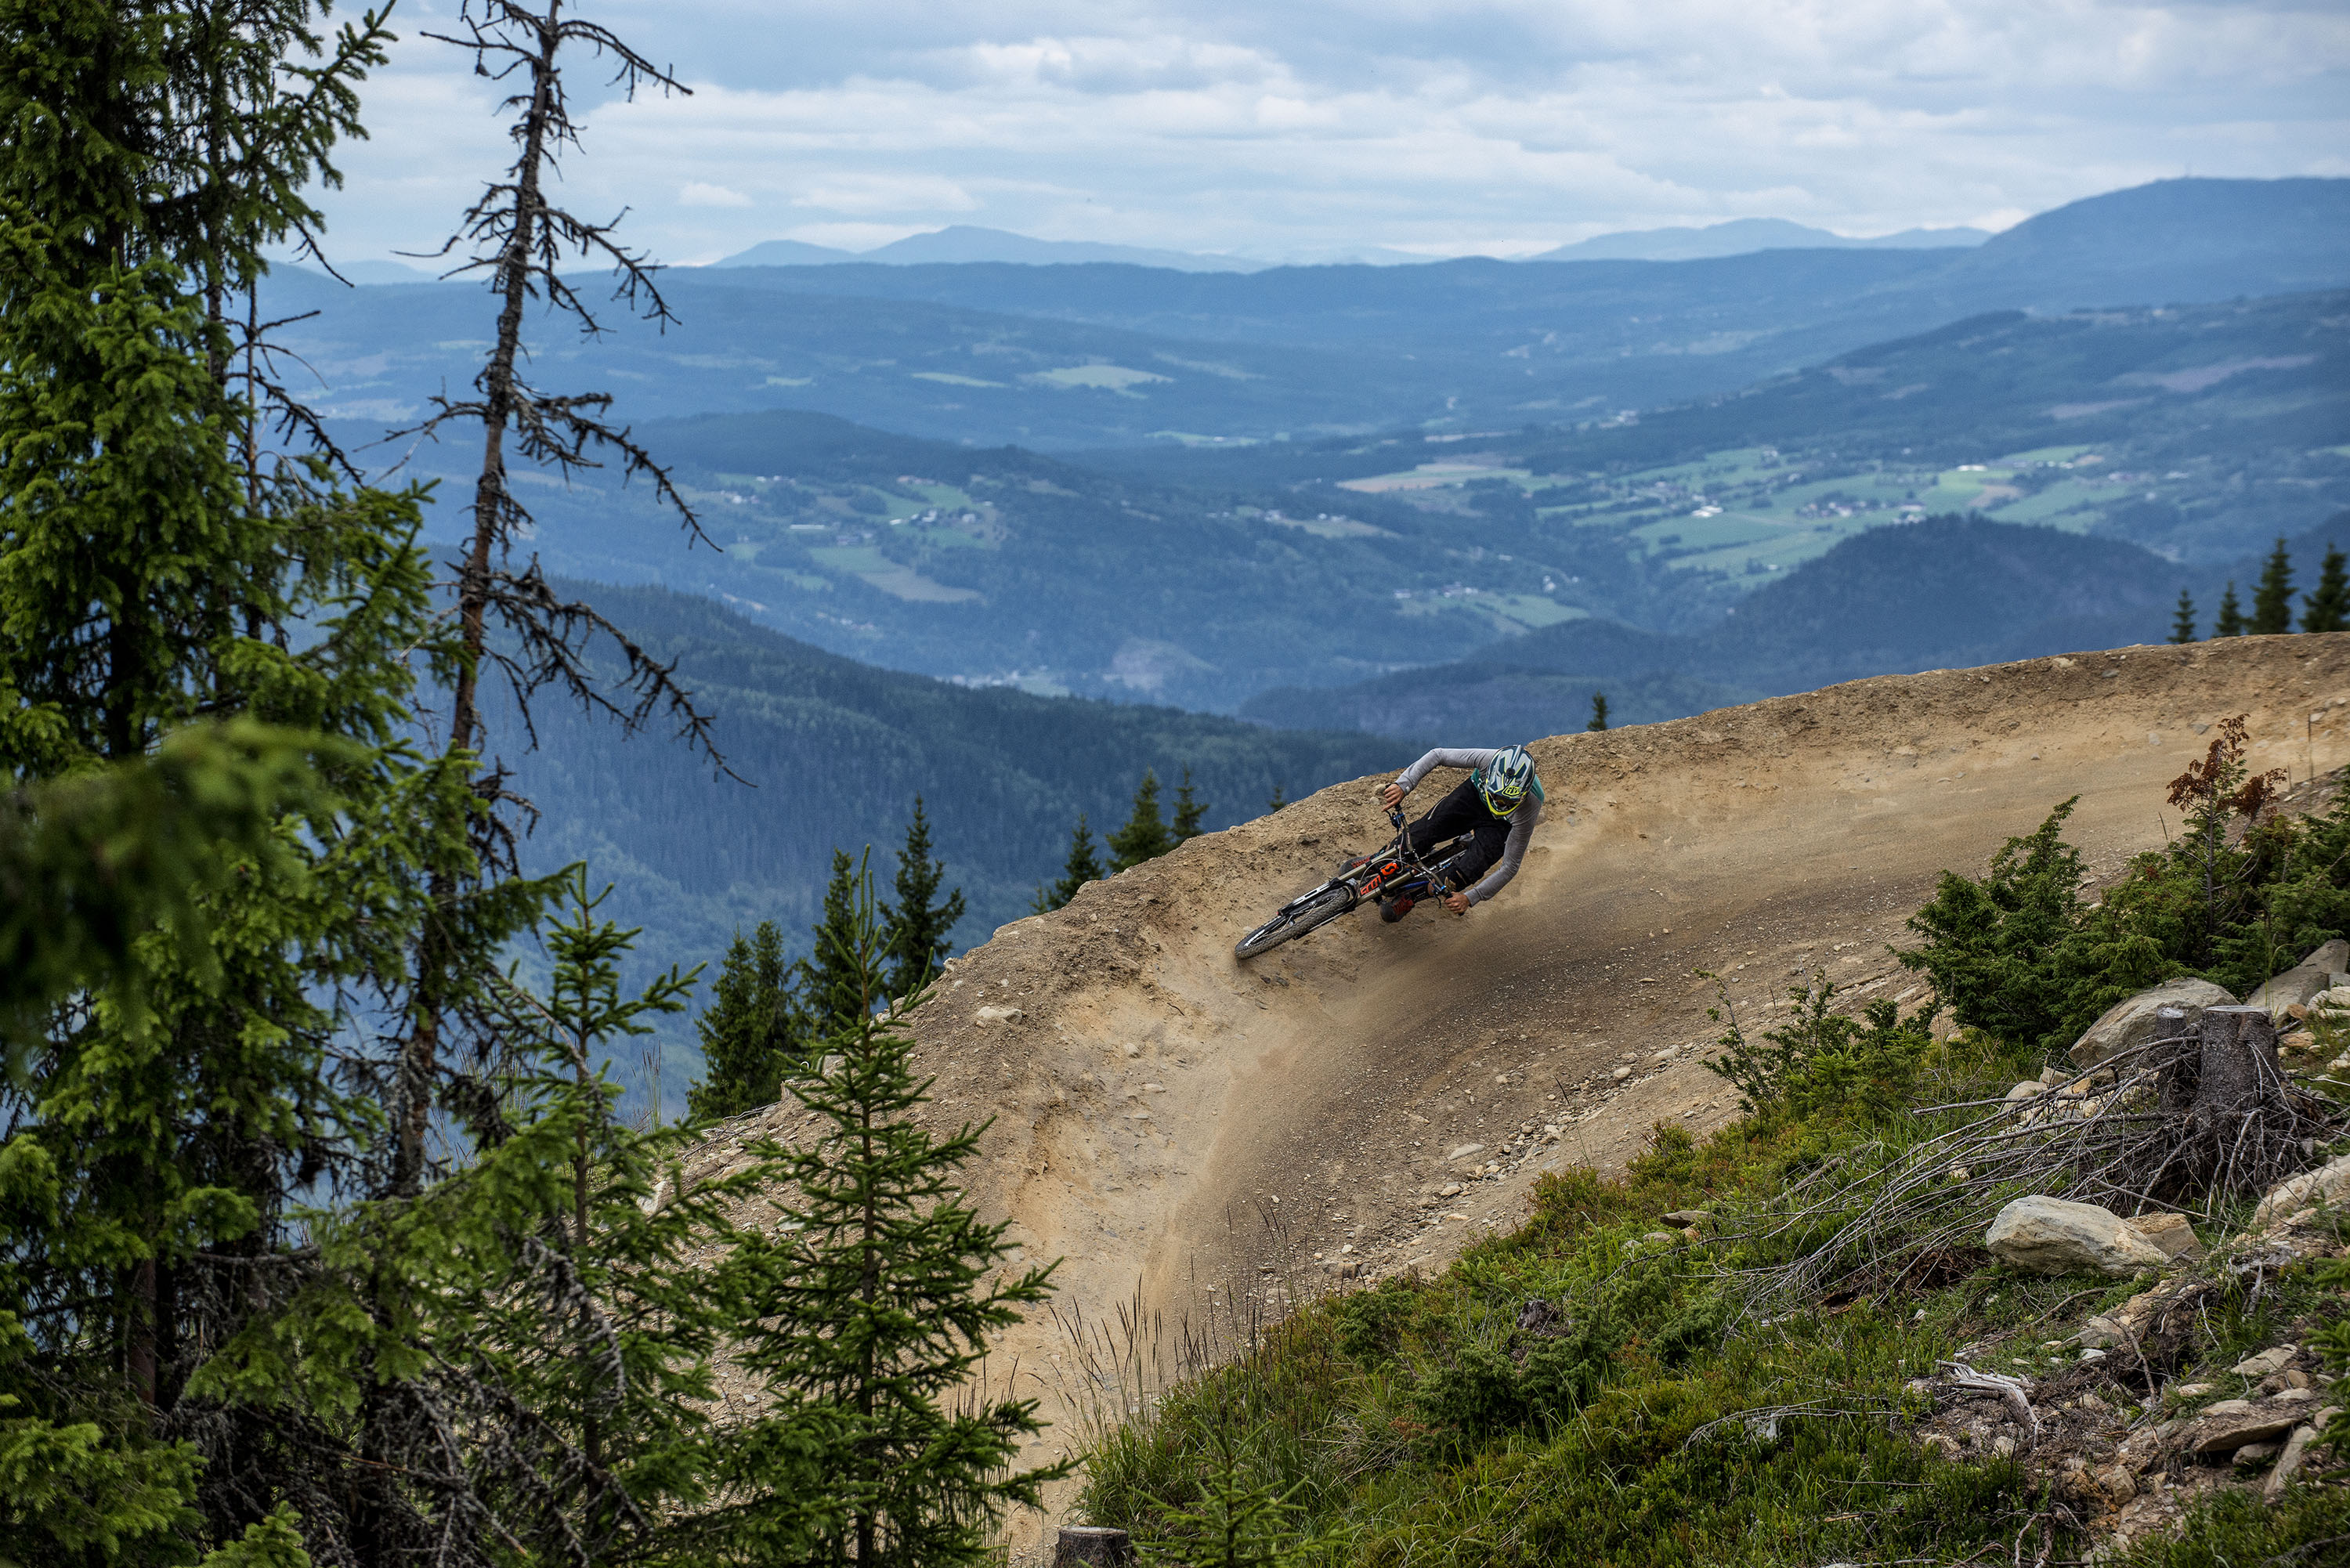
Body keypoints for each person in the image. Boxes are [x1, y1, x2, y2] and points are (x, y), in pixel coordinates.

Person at [1364, 745, 1545, 923]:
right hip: (1473, 797)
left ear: (1524, 794)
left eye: (1508, 801)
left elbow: (1510, 867)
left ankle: (1412, 897)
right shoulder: (1488, 760)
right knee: (1425, 831)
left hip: (1501, 826)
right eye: (1498, 797)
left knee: (1463, 874)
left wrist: (1470, 898)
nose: (1501, 804)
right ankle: (1379, 858)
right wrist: (1404, 785)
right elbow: (1438, 755)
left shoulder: (1531, 804)